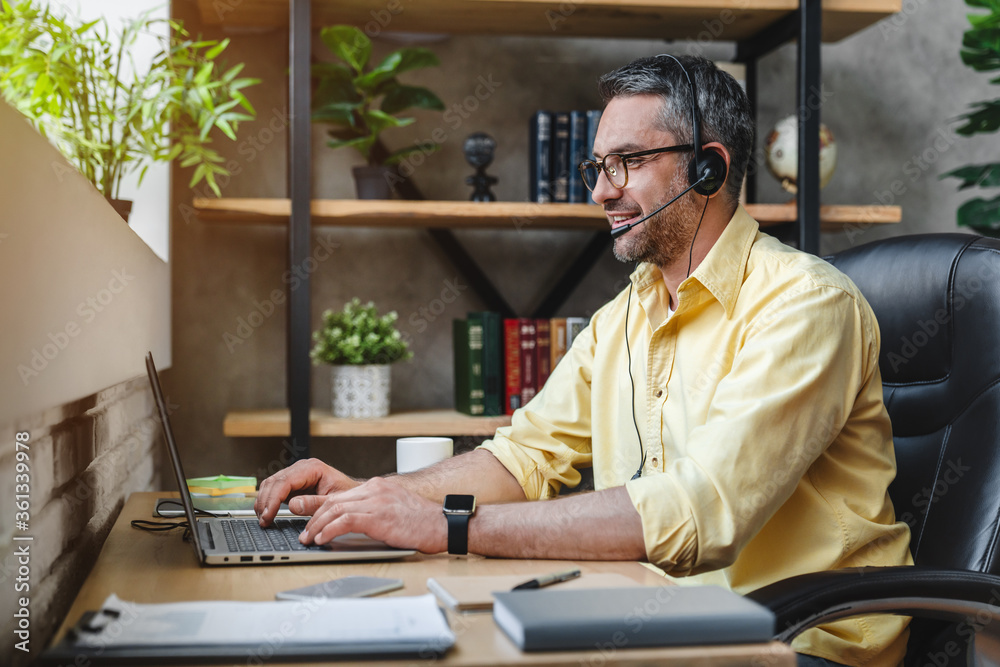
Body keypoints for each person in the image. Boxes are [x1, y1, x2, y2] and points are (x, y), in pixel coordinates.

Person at [256, 55, 912, 667]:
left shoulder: (805, 306)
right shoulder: (622, 319)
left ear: (708, 168)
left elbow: (695, 514)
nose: (601, 191)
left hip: (800, 643)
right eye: (597, 167)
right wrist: (376, 497)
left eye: (626, 161)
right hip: (669, 623)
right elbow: (524, 457)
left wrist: (451, 526)